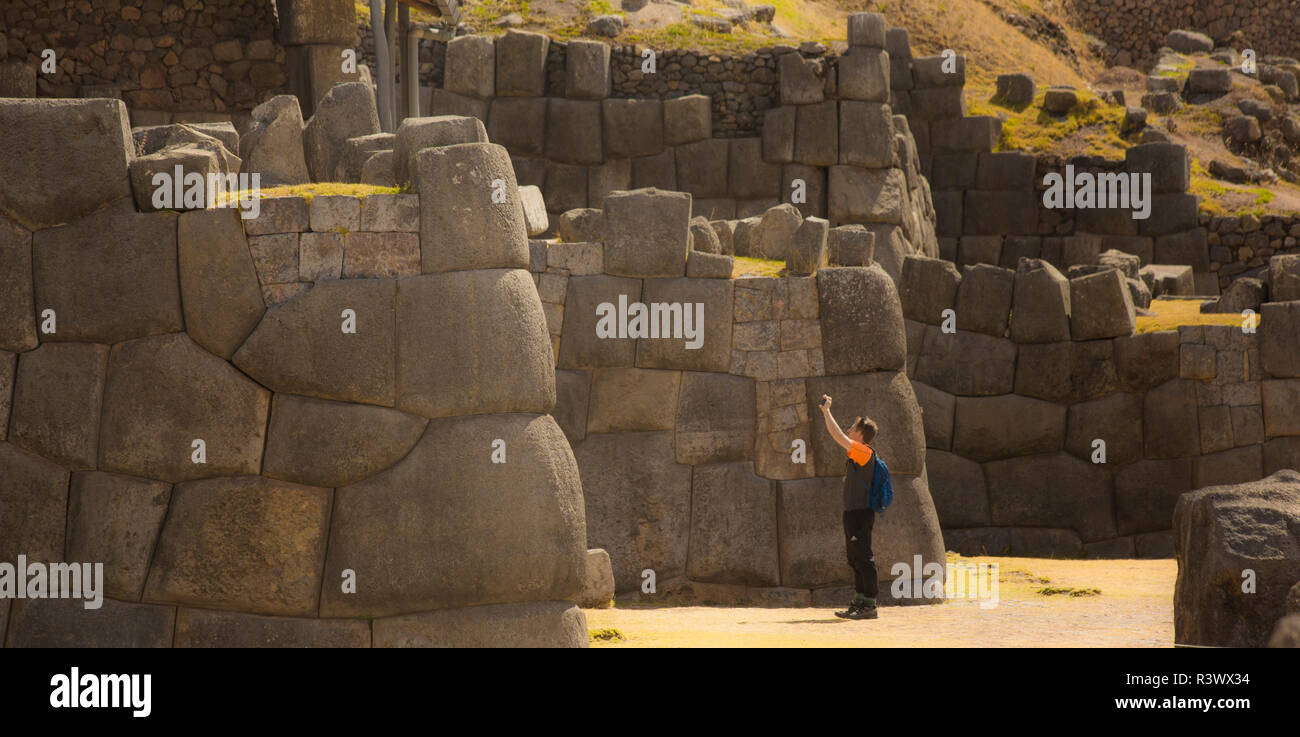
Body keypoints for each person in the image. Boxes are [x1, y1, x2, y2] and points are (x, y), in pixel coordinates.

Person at [817, 394, 880, 620]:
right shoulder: (857, 454)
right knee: (854, 559)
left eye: (853, 427)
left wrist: (827, 411)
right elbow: (840, 435)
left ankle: (870, 603)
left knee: (863, 558)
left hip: (860, 514)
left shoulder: (863, 452)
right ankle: (860, 601)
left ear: (861, 434)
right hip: (852, 514)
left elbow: (836, 435)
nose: (849, 429)